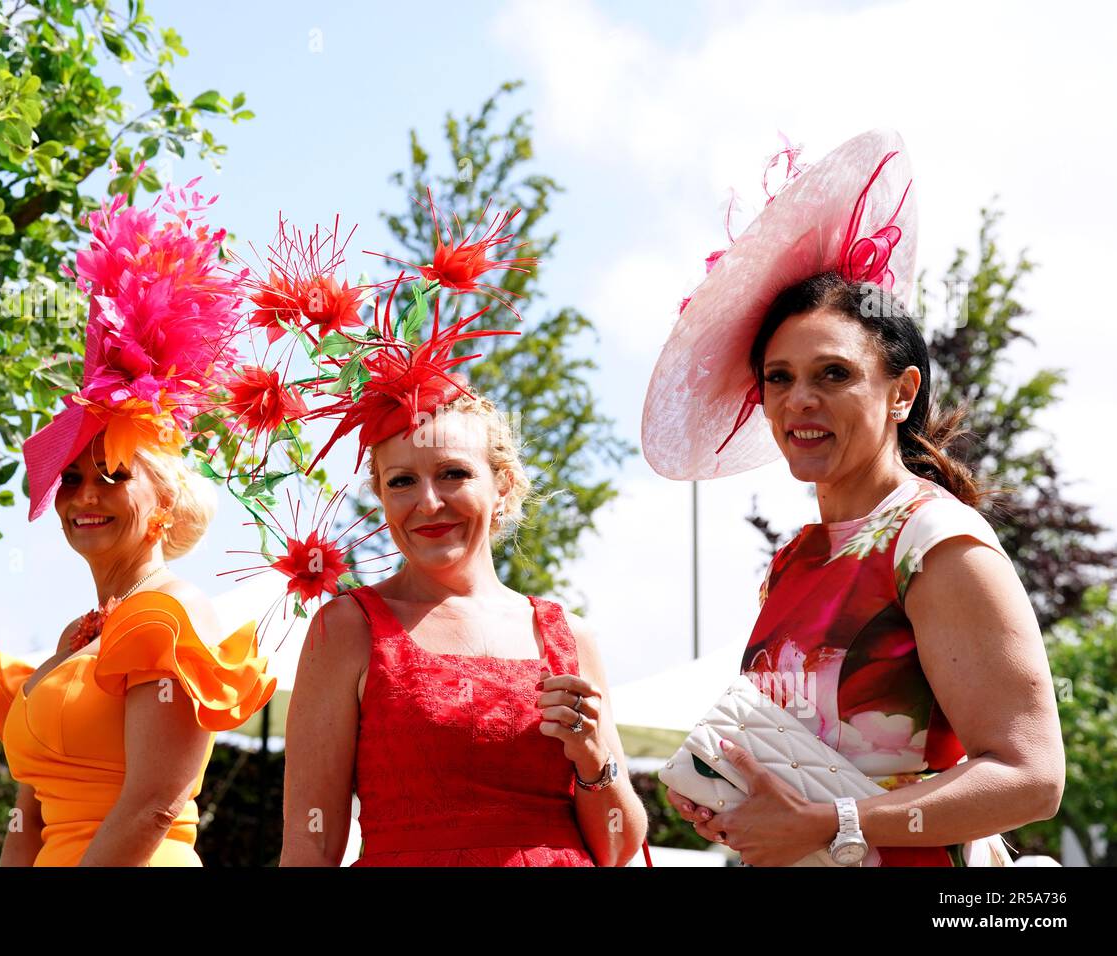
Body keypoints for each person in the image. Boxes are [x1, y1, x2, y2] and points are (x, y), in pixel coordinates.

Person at [641, 130, 1065, 866]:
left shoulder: (935, 541)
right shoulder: (794, 561)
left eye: (833, 374)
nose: (799, 401)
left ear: (902, 392)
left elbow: (1031, 778)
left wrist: (833, 823)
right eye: (778, 378)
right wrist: (730, 789)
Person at [0, 184, 275, 866]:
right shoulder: (82, 637)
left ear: (168, 502)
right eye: (72, 477)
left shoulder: (168, 619)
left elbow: (154, 805)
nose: (85, 494)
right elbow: (23, 818)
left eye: (111, 475)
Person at [280, 383, 648, 866]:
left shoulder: (568, 636)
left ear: (504, 486)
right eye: (401, 481)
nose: (428, 503)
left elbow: (619, 849)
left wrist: (595, 756)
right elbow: (311, 842)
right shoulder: (348, 630)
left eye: (453, 473)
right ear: (381, 496)